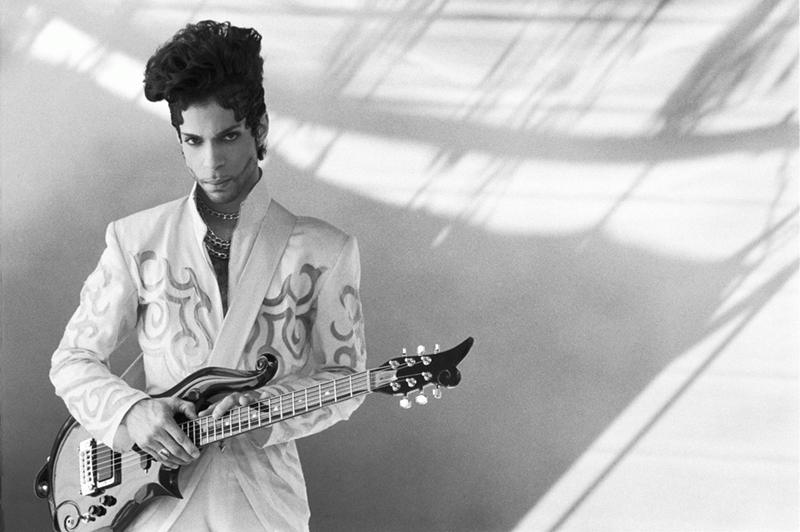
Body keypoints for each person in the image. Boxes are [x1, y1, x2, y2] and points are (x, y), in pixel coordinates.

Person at [49, 20, 366, 532]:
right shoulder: (136, 240)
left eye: (229, 137)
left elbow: (348, 381)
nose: (212, 162)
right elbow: (72, 360)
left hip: (265, 503)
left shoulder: (327, 250)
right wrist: (132, 413)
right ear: (178, 136)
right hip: (151, 504)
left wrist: (264, 407)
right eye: (193, 141)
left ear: (259, 129)